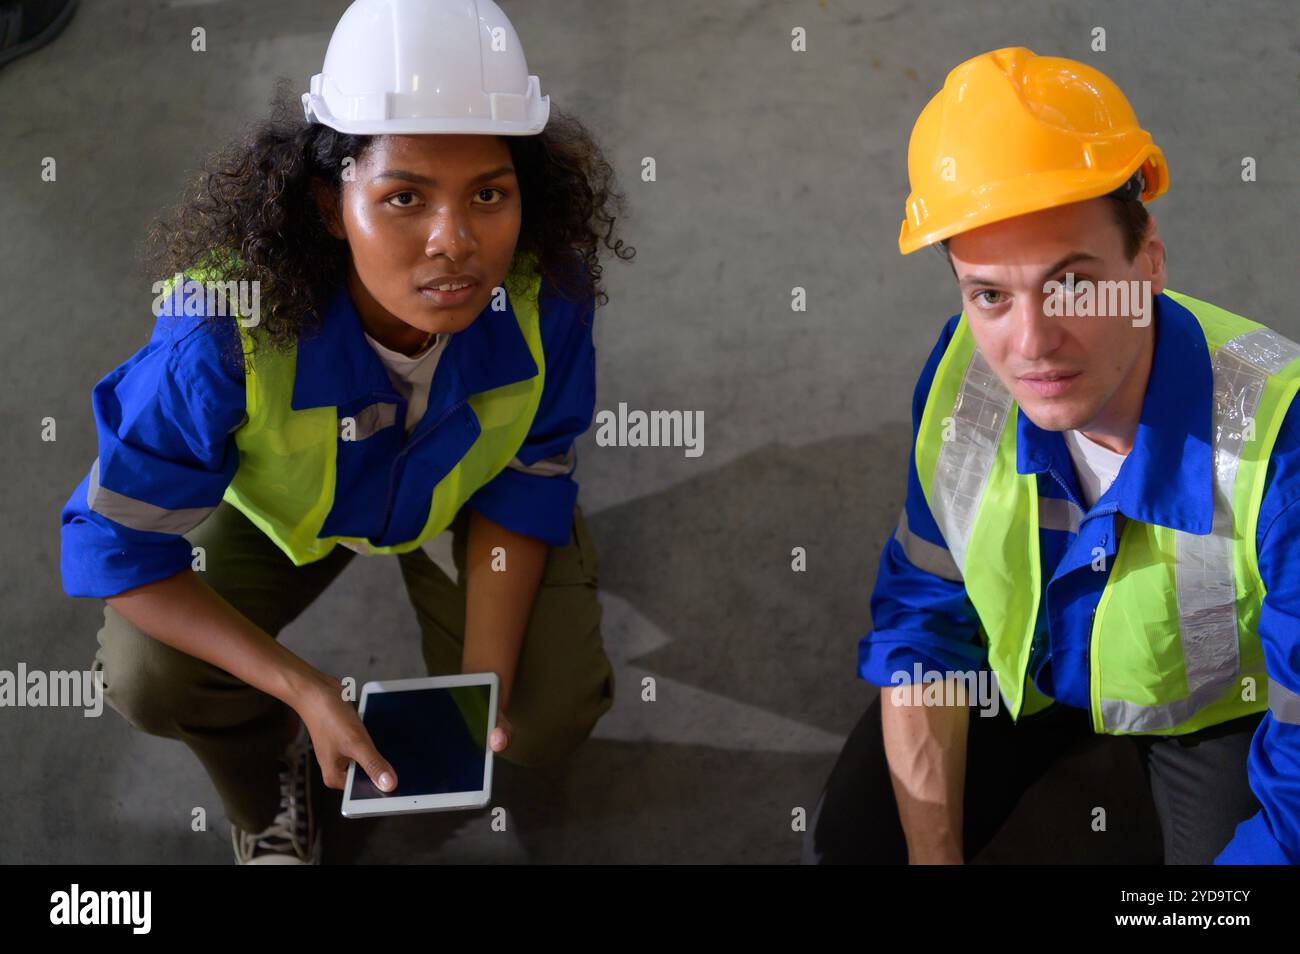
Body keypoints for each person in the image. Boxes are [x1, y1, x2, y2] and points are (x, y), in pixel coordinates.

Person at [59, 0, 634, 864]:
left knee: (546, 716)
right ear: (331, 205)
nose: (457, 243)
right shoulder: (219, 337)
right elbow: (114, 548)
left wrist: (481, 689)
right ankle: (266, 792)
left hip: (456, 500)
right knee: (149, 674)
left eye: (490, 193)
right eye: (403, 196)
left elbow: (528, 473)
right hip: (278, 510)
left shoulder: (548, 290)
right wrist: (301, 689)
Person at [803, 47, 1299, 865]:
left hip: (1213, 710)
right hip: (1021, 671)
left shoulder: (1281, 447)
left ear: (1148, 264)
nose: (1029, 345)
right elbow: (925, 623)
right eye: (989, 295)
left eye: (1073, 283)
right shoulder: (962, 380)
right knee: (850, 848)